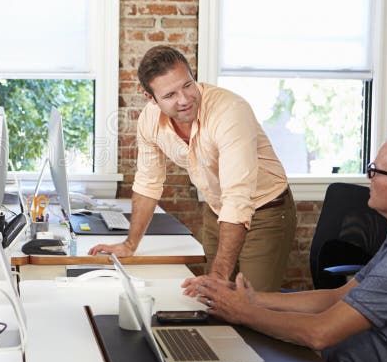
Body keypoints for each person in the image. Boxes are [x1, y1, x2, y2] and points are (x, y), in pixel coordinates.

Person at [188, 129, 387, 362]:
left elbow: (319, 333)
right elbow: (337, 297)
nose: (370, 178)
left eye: (375, 170)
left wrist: (244, 312)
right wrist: (255, 300)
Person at [89, 45, 296, 291]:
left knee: (252, 305)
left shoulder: (229, 112)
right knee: (218, 302)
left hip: (266, 209)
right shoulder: (150, 120)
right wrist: (130, 245)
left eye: (187, 85)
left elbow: (238, 196)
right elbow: (148, 182)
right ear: (150, 98)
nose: (185, 100)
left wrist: (219, 274)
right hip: (219, 210)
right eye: (169, 95)